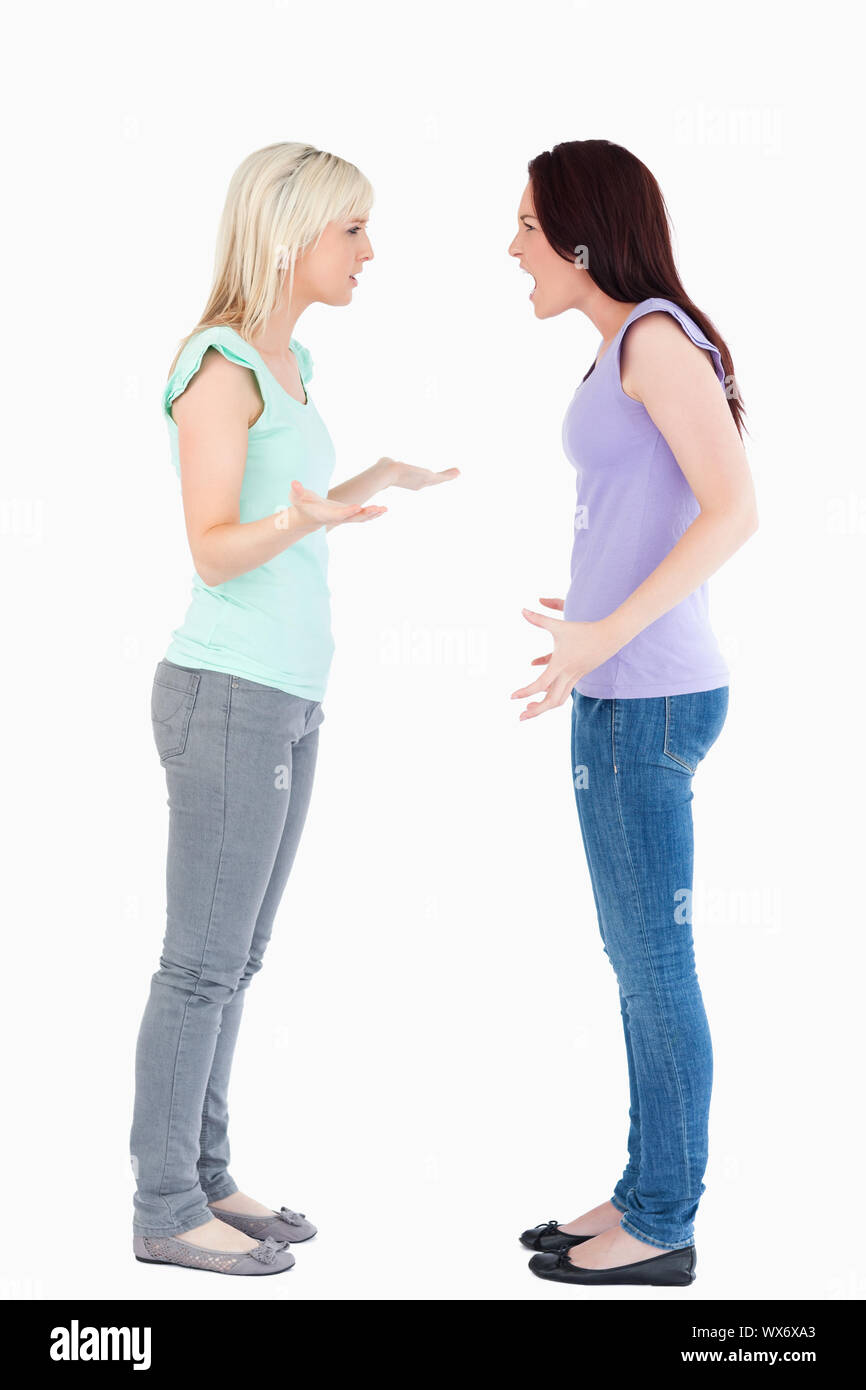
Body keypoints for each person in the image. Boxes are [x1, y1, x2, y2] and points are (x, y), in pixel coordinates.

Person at [129, 142, 458, 1276]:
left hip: (284, 697)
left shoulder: (291, 358)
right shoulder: (219, 366)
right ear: (289, 235)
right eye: (351, 230)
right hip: (225, 692)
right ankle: (167, 1204)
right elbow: (217, 550)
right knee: (201, 964)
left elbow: (291, 502)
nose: (368, 252)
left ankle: (209, 1176)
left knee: (240, 954)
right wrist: (312, 519)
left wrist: (372, 481)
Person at [509, 140, 758, 1287]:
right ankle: (640, 1181)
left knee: (655, 965)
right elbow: (644, 505)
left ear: (574, 237)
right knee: (633, 960)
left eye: (523, 225)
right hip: (617, 685)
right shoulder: (622, 344)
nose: (510, 247)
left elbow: (732, 510)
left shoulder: (654, 338)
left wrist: (606, 632)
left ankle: (663, 1218)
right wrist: (593, 603)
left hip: (646, 697)